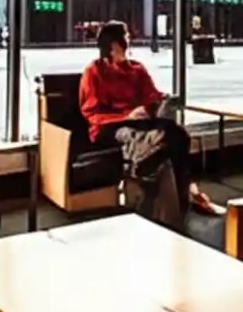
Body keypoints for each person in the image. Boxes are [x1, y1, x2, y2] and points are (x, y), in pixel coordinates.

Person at [79, 20, 221, 218]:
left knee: (178, 135)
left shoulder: (136, 69)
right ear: (115, 44)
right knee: (139, 136)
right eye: (126, 36)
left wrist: (163, 101)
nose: (129, 40)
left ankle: (183, 194)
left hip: (139, 121)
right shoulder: (94, 71)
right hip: (108, 126)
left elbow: (151, 96)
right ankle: (177, 189)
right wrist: (126, 116)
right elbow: (91, 111)